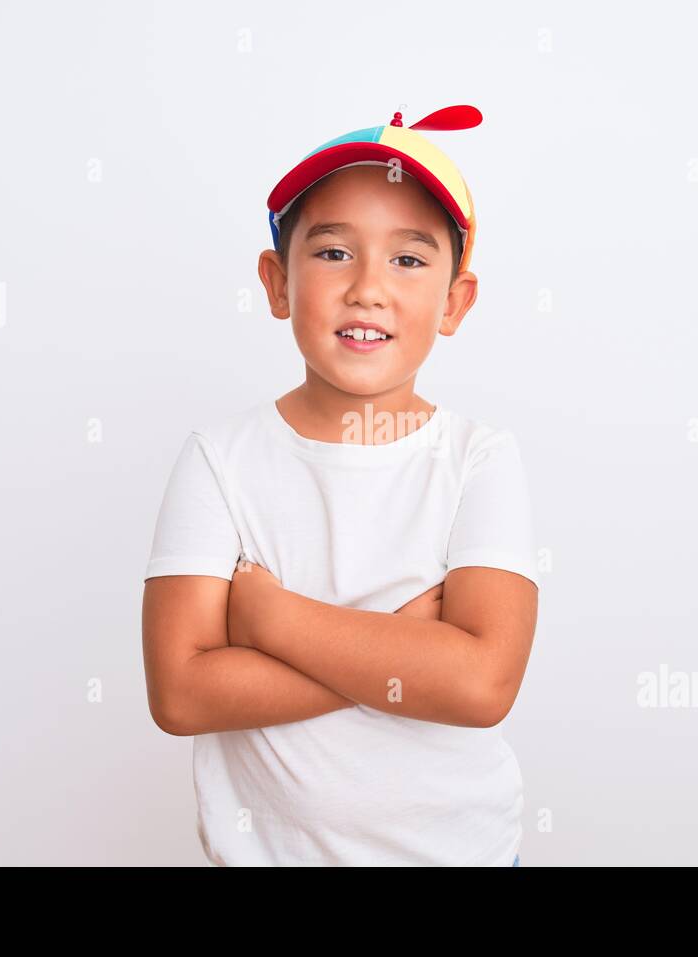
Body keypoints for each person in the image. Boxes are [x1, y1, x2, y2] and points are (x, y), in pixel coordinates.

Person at [141, 105, 539, 866]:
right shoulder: (219, 460)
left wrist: (273, 620)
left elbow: (481, 684)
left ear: (455, 301)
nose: (367, 288)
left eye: (409, 260)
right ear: (276, 281)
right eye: (331, 253)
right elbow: (182, 693)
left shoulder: (479, 461)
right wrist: (408, 645)